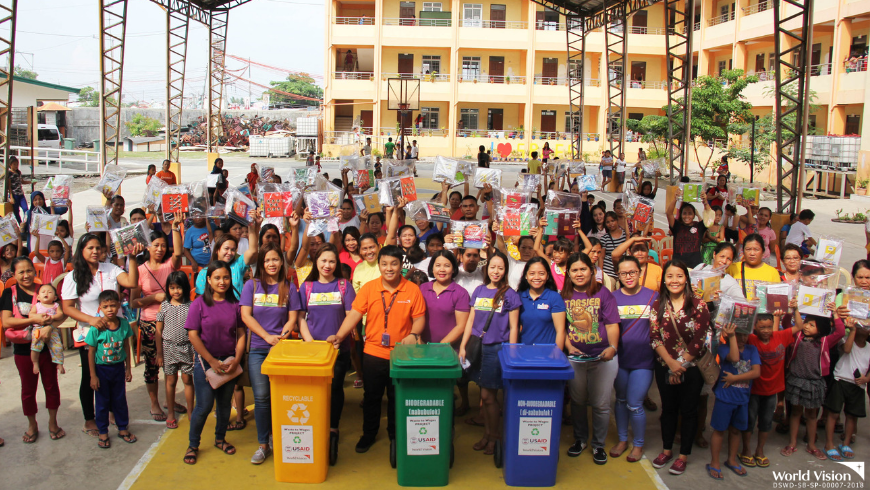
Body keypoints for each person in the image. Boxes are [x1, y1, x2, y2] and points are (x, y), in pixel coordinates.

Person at [327, 245, 426, 453]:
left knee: (397, 397)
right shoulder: (369, 288)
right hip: (373, 352)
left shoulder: (412, 290)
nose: (389, 268)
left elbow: (419, 319)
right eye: (384, 264)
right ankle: (369, 434)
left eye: (394, 264)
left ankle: (395, 434)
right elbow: (355, 315)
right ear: (379, 265)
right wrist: (339, 335)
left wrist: (413, 335)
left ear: (400, 265)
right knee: (371, 397)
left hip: (401, 354)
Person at [62, 234, 142, 439]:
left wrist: (132, 257)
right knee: (90, 376)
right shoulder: (73, 276)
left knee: (114, 373)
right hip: (91, 333)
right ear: (81, 250)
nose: (95, 251)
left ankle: (113, 412)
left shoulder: (111, 269)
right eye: (90, 248)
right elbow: (67, 307)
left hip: (114, 332)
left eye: (98, 248)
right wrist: (91, 320)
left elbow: (131, 282)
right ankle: (90, 418)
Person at [649, 260, 712, 476]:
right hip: (664, 366)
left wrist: (680, 364)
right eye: (670, 276)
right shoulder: (657, 305)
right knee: (668, 409)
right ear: (664, 280)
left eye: (679, 276)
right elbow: (654, 337)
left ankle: (683, 455)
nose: (674, 280)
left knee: (689, 410)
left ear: (686, 278)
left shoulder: (699, 305)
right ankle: (666, 450)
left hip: (691, 368)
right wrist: (671, 364)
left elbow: (699, 339)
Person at [241, 242, 301, 464]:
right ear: (261, 263)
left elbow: (293, 318)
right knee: (262, 397)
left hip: (282, 350)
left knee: (281, 397)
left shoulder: (289, 287)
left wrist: (281, 338)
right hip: (258, 349)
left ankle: (279, 437)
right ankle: (263, 444)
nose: (271, 263)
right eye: (267, 260)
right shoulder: (252, 286)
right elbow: (246, 316)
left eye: (275, 259)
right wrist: (267, 337)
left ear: (281, 262)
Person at [183, 261, 246, 465]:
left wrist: (236, 360)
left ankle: (220, 439)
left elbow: (241, 333)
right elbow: (193, 335)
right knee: (204, 406)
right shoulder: (198, 304)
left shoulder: (235, 305)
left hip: (229, 363)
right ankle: (193, 445)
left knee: (225, 405)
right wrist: (211, 361)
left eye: (226, 277)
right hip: (205, 363)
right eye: (217, 278)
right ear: (208, 280)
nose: (222, 282)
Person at [459, 251, 520, 455]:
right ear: (486, 269)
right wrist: (463, 345)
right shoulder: (479, 290)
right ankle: (487, 434)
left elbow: (514, 327)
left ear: (505, 271)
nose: (496, 271)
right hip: (478, 348)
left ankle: (495, 437)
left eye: (500, 268)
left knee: (488, 396)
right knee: (485, 397)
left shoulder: (510, 294)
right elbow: (470, 320)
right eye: (492, 267)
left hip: (497, 350)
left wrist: (512, 353)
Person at [562, 252, 621, 464]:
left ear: (592, 271)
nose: (579, 273)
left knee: (601, 404)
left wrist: (613, 347)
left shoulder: (603, 293)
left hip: (602, 358)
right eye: (574, 270)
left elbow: (612, 324)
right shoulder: (563, 296)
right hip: (576, 359)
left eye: (583, 269)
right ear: (568, 273)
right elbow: (561, 328)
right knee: (577, 402)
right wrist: (569, 347)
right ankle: (580, 440)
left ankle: (598, 444)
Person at [2, 256, 66, 443]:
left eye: (29, 270)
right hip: (24, 350)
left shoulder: (45, 290)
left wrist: (50, 327)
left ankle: (53, 423)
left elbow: (62, 314)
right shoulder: (9, 293)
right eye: (21, 272)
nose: (26, 275)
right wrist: (34, 320)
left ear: (34, 271)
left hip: (47, 348)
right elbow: (6, 322)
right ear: (14, 274)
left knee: (51, 386)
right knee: (28, 390)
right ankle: (32, 425)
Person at [130, 215, 184, 423]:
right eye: (156, 245)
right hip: (150, 323)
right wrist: (153, 298)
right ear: (148, 247)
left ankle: (170, 400)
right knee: (152, 365)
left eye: (163, 245)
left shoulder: (169, 266)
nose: (160, 249)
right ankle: (154, 403)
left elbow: (177, 253)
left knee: (172, 364)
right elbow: (134, 302)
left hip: (172, 321)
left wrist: (176, 228)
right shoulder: (140, 270)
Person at [609, 256, 657, 462]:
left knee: (635, 403)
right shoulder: (612, 298)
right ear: (618, 276)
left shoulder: (653, 297)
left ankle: (638, 444)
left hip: (643, 362)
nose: (628, 276)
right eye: (623, 273)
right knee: (620, 400)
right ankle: (622, 440)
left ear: (640, 273)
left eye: (632, 272)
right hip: (619, 360)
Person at [740, 310, 800, 468]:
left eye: (769, 327)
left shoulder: (781, 336)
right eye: (762, 327)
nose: (766, 330)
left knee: (766, 423)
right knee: (749, 421)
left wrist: (795, 309)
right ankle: (746, 450)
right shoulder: (750, 339)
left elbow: (799, 326)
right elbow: (735, 332)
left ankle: (759, 450)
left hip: (772, 391)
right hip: (753, 389)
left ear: (773, 326)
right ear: (755, 327)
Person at [781, 315, 844, 460]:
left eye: (812, 325)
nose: (806, 326)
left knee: (812, 415)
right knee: (795, 413)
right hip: (797, 381)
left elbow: (840, 332)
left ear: (820, 329)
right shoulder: (798, 337)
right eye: (806, 323)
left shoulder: (824, 341)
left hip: (814, 383)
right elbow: (786, 324)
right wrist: (792, 311)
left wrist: (835, 314)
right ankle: (792, 443)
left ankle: (811, 445)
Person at [706, 322, 761, 479]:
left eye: (745, 334)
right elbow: (735, 358)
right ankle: (714, 462)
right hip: (725, 398)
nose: (742, 338)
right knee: (719, 430)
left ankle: (731, 459)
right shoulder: (724, 348)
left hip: (742, 399)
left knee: (736, 430)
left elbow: (756, 372)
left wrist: (734, 378)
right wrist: (731, 337)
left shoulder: (752, 350)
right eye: (738, 335)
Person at [419, 250, 471, 411]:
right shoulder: (422, 289)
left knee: (454, 383)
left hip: (449, 348)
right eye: (438, 265)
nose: (442, 269)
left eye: (447, 265)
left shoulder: (460, 293)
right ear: (432, 268)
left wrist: (440, 346)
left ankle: (462, 405)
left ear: (453, 268)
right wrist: (419, 341)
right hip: (423, 347)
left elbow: (461, 325)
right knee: (429, 389)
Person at [86, 290, 137, 448]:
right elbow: (91, 352)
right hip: (102, 370)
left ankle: (122, 428)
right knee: (102, 402)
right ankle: (103, 432)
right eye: (106, 306)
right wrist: (93, 375)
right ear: (100, 307)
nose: (110, 309)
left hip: (118, 368)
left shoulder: (123, 324)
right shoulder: (97, 328)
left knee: (120, 400)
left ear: (119, 306)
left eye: (113, 306)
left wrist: (128, 369)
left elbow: (127, 347)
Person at [823, 314, 869, 461]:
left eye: (867, 326)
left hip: (858, 385)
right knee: (833, 413)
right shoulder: (845, 340)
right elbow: (847, 350)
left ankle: (846, 443)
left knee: (851, 415)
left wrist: (867, 379)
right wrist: (852, 330)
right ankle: (829, 444)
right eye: (862, 325)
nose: (864, 328)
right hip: (841, 379)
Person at [156, 271, 195, 430]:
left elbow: (194, 331)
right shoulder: (164, 306)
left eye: (179, 287)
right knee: (170, 381)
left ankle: (191, 412)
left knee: (188, 380)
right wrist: (159, 353)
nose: (176, 291)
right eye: (172, 288)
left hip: (187, 347)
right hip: (168, 348)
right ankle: (171, 414)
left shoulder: (191, 306)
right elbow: (158, 331)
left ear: (185, 287)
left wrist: (195, 352)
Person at [517, 257, 566, 346]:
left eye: (541, 273)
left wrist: (556, 353)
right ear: (526, 276)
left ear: (547, 276)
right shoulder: (519, 297)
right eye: (532, 273)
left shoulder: (554, 297)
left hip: (548, 352)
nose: (537, 277)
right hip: (524, 351)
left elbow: (560, 331)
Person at [725, 234, 782, 301]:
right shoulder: (733, 268)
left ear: (763, 252)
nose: (752, 253)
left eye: (756, 249)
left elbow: (776, 299)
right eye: (748, 249)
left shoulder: (772, 272)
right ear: (743, 251)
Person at [665, 191, 712, 268]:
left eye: (690, 213)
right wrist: (675, 199)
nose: (687, 216)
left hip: (695, 266)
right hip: (678, 266)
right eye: (684, 213)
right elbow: (669, 213)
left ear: (694, 215)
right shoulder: (677, 226)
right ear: (681, 215)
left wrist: (705, 202)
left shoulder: (699, 226)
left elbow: (710, 217)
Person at [28, 284, 65, 375]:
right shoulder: (37, 305)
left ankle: (59, 363)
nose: (46, 293)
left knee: (57, 346)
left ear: (54, 297)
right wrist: (39, 316)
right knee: (35, 347)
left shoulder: (55, 305)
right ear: (38, 297)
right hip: (38, 329)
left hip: (52, 330)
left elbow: (60, 314)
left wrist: (52, 317)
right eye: (43, 292)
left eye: (49, 292)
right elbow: (31, 315)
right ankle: (35, 363)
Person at [7, 156, 29, 223]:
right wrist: (11, 197)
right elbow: (9, 186)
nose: (16, 166)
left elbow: (22, 181)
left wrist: (30, 182)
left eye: (17, 164)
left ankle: (25, 223)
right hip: (14, 194)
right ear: (10, 165)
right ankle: (20, 224)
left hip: (21, 194)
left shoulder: (18, 172)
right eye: (14, 164)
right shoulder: (9, 174)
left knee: (26, 209)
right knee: (16, 211)